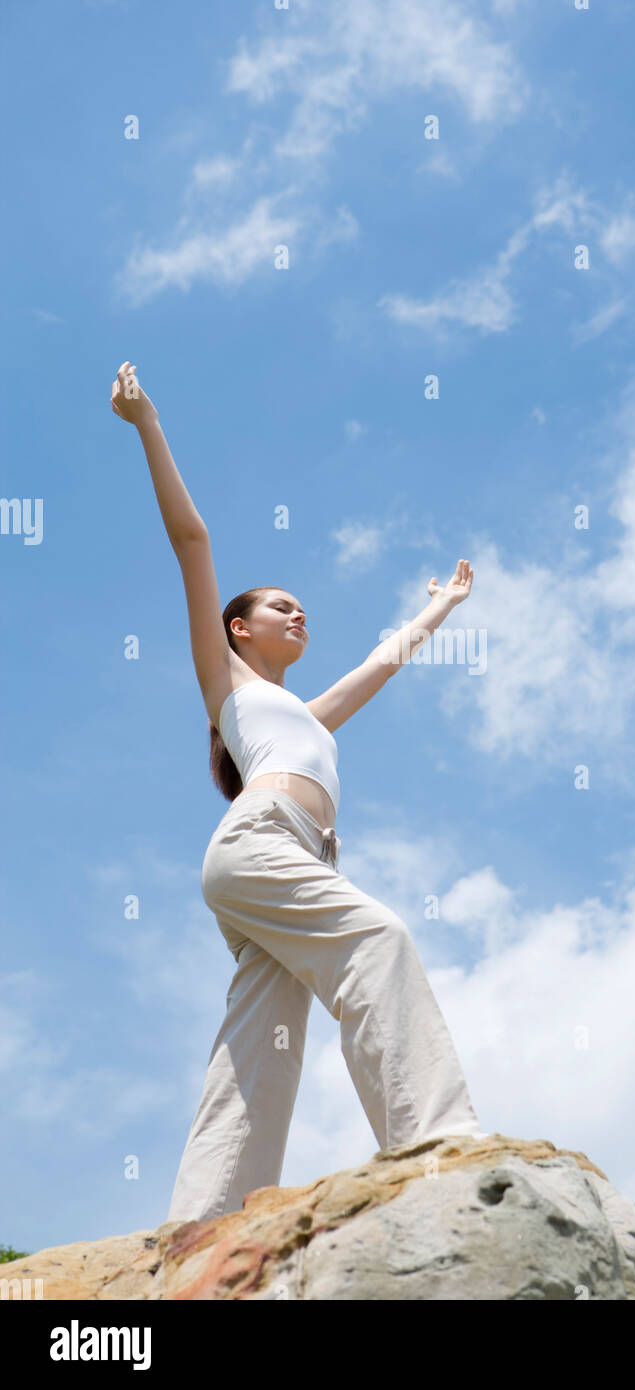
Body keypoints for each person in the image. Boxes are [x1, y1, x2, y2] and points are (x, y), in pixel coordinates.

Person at [110, 361, 485, 1225]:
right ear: (240, 628)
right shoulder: (228, 685)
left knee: (261, 1053)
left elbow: (378, 665)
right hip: (262, 839)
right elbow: (193, 542)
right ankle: (439, 1143)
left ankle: (202, 1226)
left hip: (284, 856)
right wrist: (146, 423)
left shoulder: (305, 716)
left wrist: (443, 607)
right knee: (380, 940)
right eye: (283, 606)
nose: (299, 614)